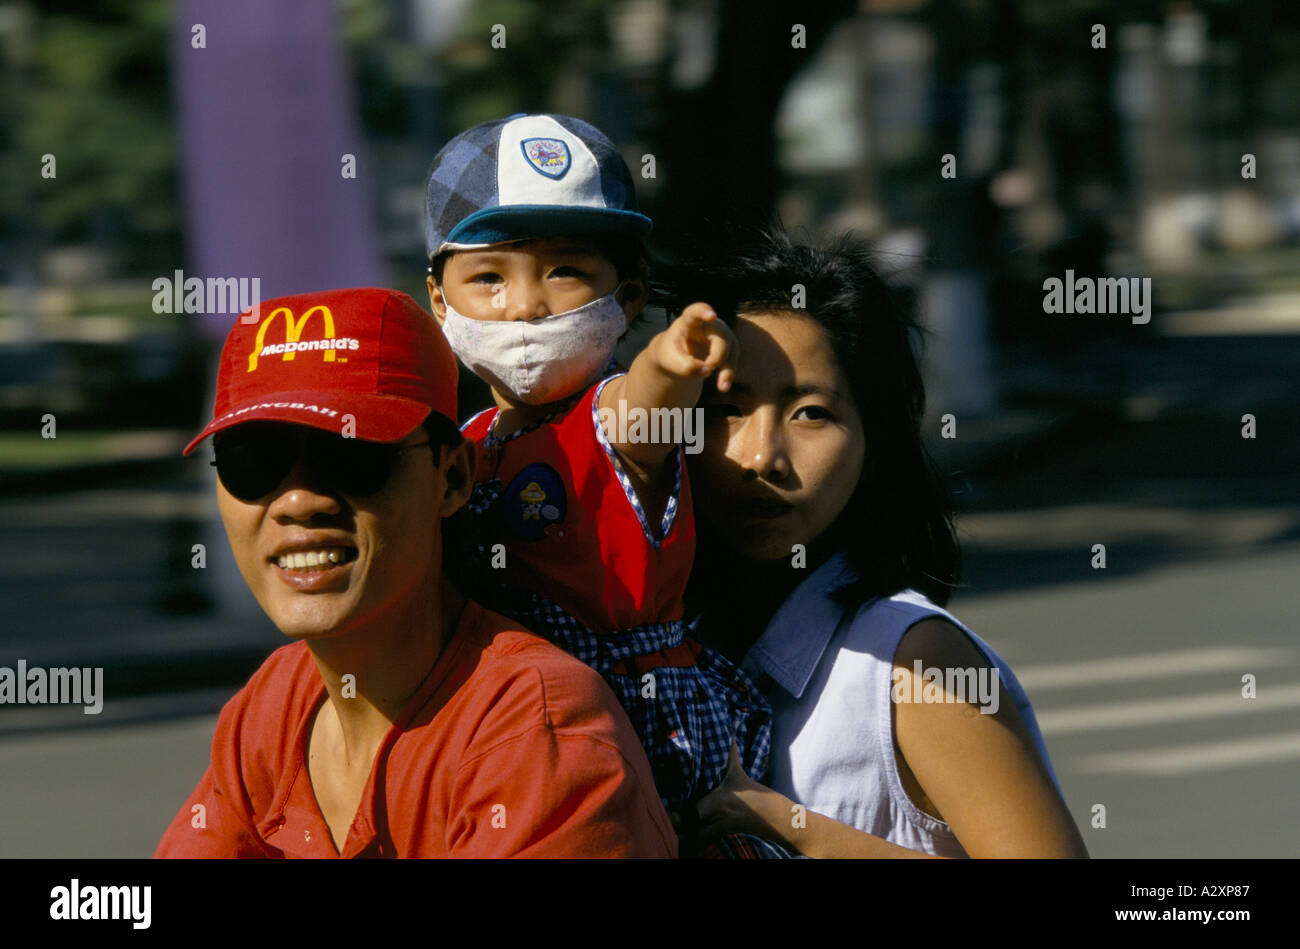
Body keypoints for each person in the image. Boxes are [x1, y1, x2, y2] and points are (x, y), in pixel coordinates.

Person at [154, 286, 676, 858]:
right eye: (251, 463)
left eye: (351, 454)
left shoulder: (535, 729)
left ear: (451, 477)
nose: (298, 501)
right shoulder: (271, 706)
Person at [674, 228, 1089, 858]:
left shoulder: (911, 659)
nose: (761, 457)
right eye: (724, 410)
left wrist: (788, 826)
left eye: (810, 412)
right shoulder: (670, 646)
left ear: (874, 446)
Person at [420, 113, 775, 844]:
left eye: (565, 270)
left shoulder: (608, 414)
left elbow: (644, 410)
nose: (523, 304)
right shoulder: (466, 443)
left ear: (630, 295)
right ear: (438, 300)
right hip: (510, 724)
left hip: (635, 727)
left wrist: (675, 361)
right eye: (488, 276)